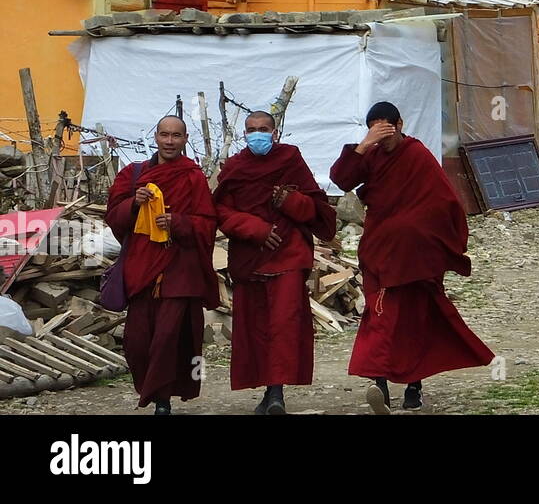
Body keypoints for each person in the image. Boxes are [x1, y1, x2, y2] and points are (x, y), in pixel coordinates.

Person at [330, 102, 494, 414]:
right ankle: (377, 383)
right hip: (379, 252)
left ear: (400, 124)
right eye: (376, 130)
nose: (384, 137)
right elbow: (341, 179)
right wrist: (364, 146)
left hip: (416, 257)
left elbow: (445, 203)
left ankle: (413, 386)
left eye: (388, 129)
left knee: (414, 322)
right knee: (378, 319)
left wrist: (426, 237)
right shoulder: (372, 155)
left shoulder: (417, 155)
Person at [214, 111, 337, 415]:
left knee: (284, 324)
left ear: (275, 132)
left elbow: (317, 211)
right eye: (252, 130)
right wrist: (254, 229)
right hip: (250, 257)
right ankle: (268, 389)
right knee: (254, 327)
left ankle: (277, 391)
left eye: (263, 129)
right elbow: (220, 212)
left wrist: (290, 202)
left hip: (288, 253)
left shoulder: (291, 160)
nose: (258, 134)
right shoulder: (236, 166)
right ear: (244, 134)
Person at [105, 116, 220, 415]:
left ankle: (163, 402)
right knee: (137, 342)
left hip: (180, 271)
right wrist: (133, 203)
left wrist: (178, 222)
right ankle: (153, 391)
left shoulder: (193, 176)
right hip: (141, 268)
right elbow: (113, 218)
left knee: (169, 339)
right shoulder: (133, 174)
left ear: (185, 139)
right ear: (155, 136)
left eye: (176, 136)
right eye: (164, 135)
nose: (169, 141)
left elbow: (208, 225)